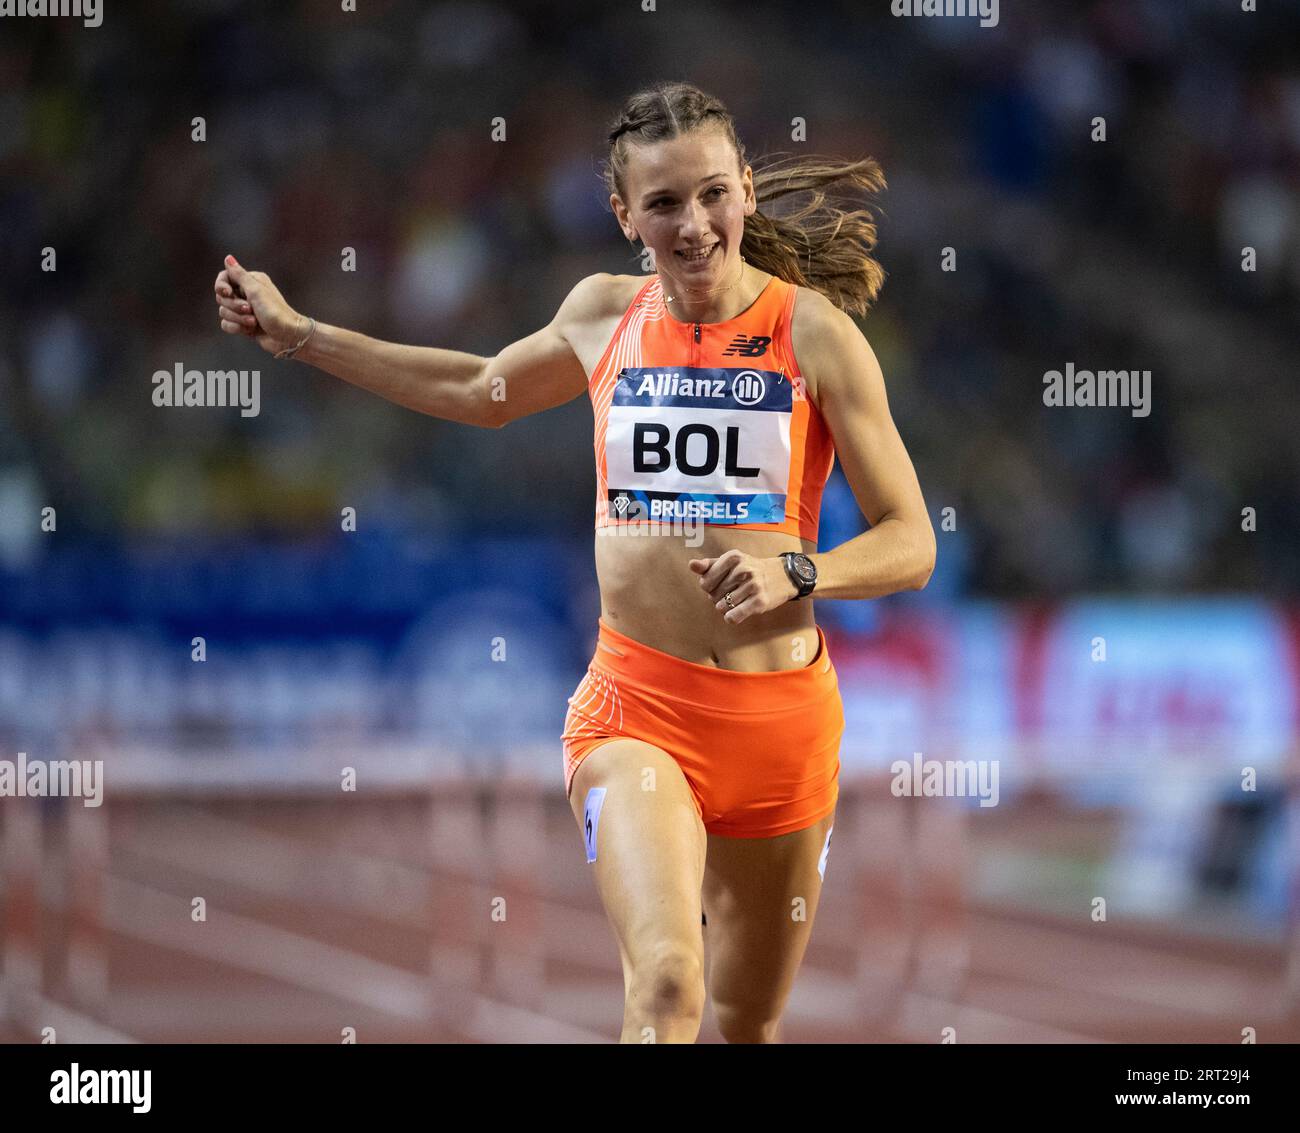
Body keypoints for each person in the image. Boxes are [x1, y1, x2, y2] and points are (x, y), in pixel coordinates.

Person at [213, 81, 935, 1044]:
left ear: (748, 192)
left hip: (781, 729)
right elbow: (480, 388)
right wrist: (303, 335)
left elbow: (911, 540)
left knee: (746, 1020)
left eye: (713, 194)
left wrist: (801, 573)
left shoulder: (814, 336)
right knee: (669, 987)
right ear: (623, 212)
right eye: (665, 202)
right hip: (637, 710)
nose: (694, 225)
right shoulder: (603, 316)